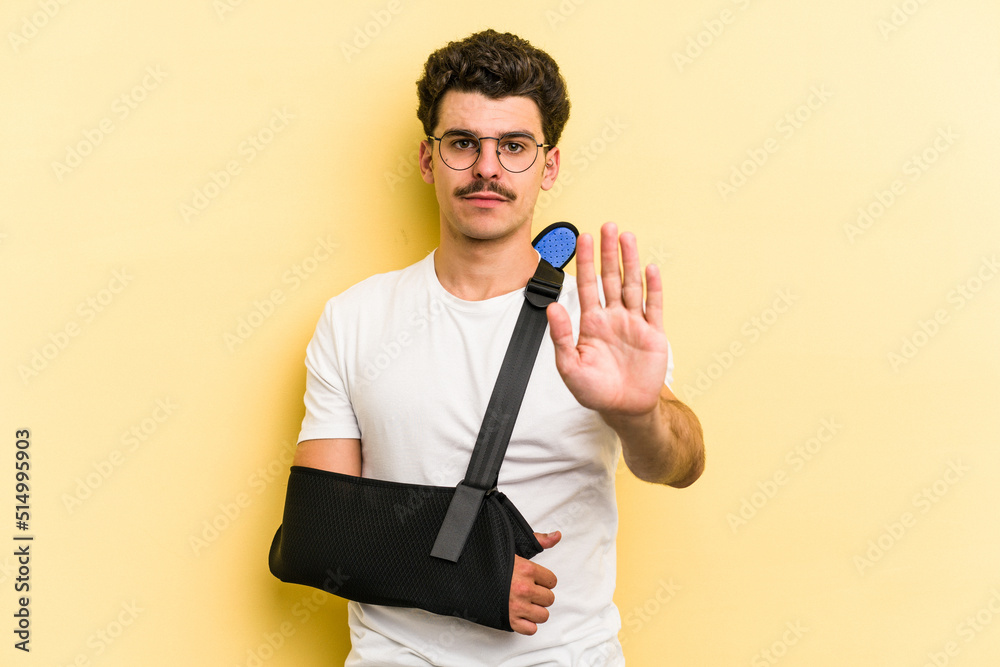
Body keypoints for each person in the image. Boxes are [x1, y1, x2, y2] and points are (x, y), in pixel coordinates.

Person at [291, 29, 704, 666]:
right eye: (463, 144)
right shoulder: (355, 318)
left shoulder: (597, 323)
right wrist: (467, 575)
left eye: (513, 146)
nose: (488, 168)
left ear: (550, 164)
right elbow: (318, 536)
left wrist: (637, 412)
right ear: (429, 160)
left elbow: (678, 465)